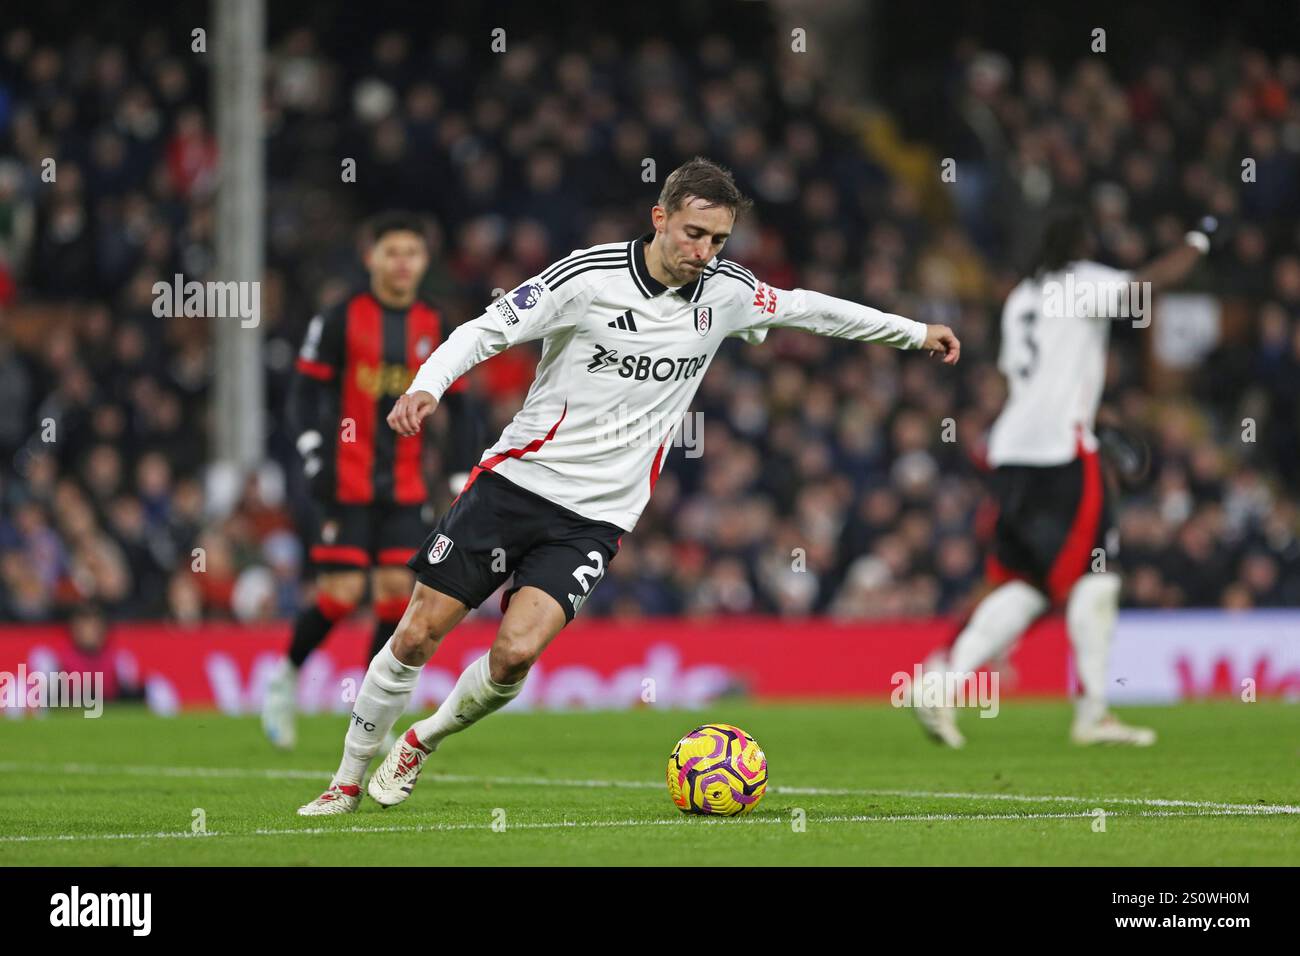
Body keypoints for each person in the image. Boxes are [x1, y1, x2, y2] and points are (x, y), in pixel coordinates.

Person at [297, 157, 960, 815]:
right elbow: (486, 331)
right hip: (514, 483)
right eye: (693, 234)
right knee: (415, 636)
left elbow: (811, 311)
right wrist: (426, 386)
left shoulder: (726, 293)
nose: (704, 251)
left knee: (515, 654)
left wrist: (914, 333)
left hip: (597, 515)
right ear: (660, 218)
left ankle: (419, 741)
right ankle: (347, 782)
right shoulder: (587, 278)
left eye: (719, 240)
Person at [911, 208, 1212, 748]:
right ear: (1081, 243)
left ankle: (942, 681)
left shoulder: (1022, 296)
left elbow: (1022, 379)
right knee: (1098, 575)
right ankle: (1092, 711)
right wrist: (1198, 239)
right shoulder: (1081, 282)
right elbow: (1149, 284)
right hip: (1061, 453)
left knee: (1026, 581)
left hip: (1013, 455)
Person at [262, 212, 472, 749]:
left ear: (424, 262)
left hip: (407, 486)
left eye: (413, 253)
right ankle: (282, 679)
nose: (403, 262)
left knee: (395, 595)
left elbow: (463, 404)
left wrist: (455, 469)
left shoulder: (436, 323)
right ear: (370, 257)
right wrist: (311, 451)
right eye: (392, 252)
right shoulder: (340, 318)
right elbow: (305, 393)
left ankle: (369, 716)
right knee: (341, 592)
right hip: (346, 479)